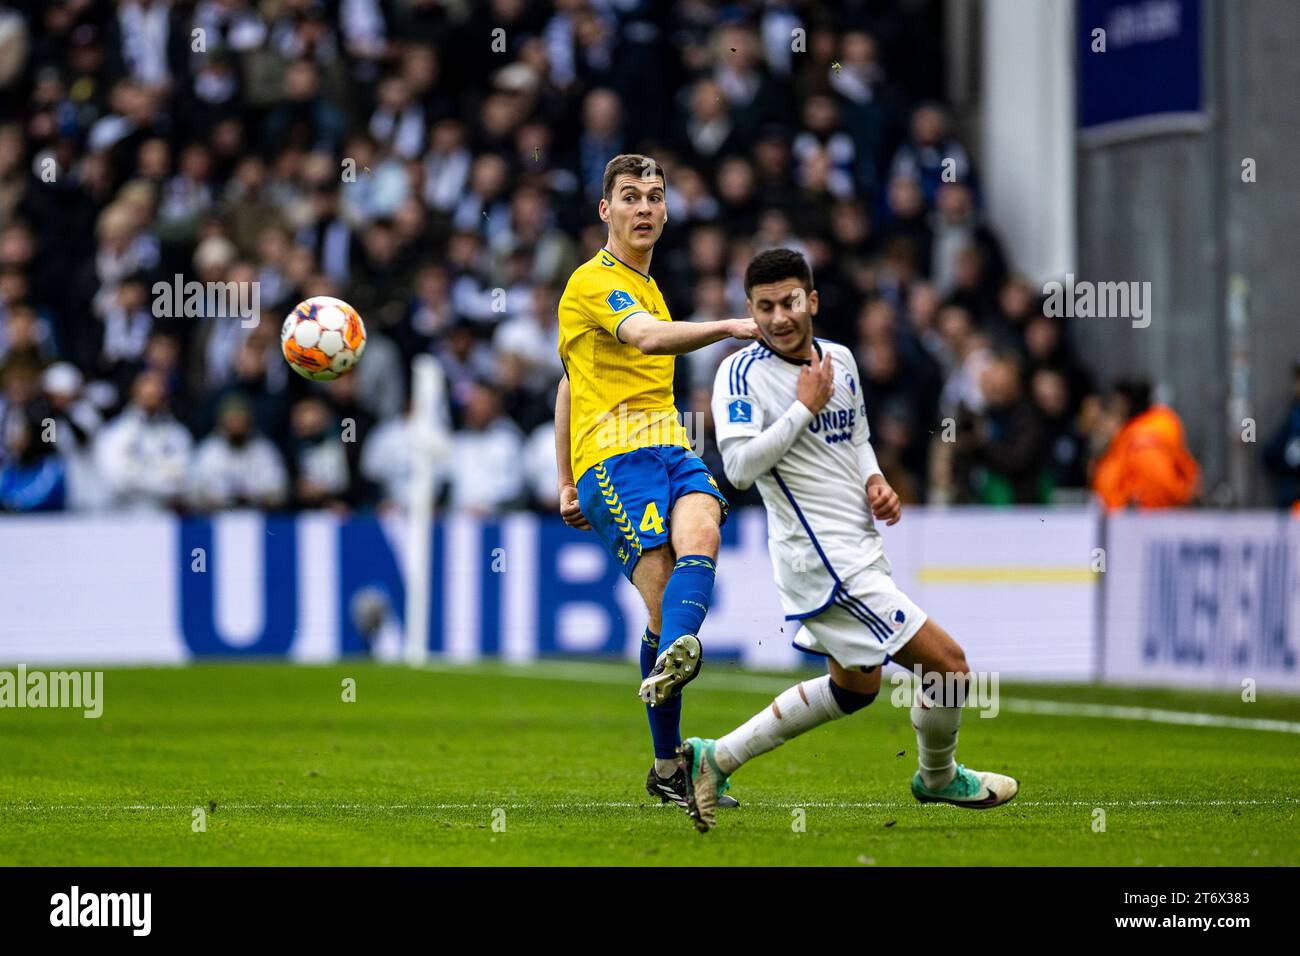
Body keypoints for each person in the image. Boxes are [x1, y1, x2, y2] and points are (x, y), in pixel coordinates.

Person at [679, 248, 1019, 833]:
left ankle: (717, 757)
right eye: (764, 308)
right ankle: (938, 776)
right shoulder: (739, 374)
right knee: (950, 667)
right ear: (750, 311)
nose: (779, 318)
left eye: (789, 302)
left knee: (856, 687)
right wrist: (800, 410)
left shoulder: (840, 359)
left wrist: (875, 479)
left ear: (811, 300)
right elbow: (737, 468)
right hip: (822, 562)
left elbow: (856, 437)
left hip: (858, 546)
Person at [553, 154, 758, 808]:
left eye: (655, 197)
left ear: (666, 212)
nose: (644, 208)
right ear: (604, 211)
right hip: (614, 460)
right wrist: (727, 326)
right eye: (631, 197)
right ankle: (670, 761)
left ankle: (677, 655)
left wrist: (561, 480)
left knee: (705, 530)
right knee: (663, 595)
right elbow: (642, 341)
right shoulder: (594, 282)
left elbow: (568, 381)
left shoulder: (650, 284)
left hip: (670, 445)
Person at [1091, 378, 1199, 510]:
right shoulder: (1124, 446)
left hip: (1148, 526)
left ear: (1123, 408)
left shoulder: (1142, 447)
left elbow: (1158, 497)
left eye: (1109, 413)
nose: (1101, 425)